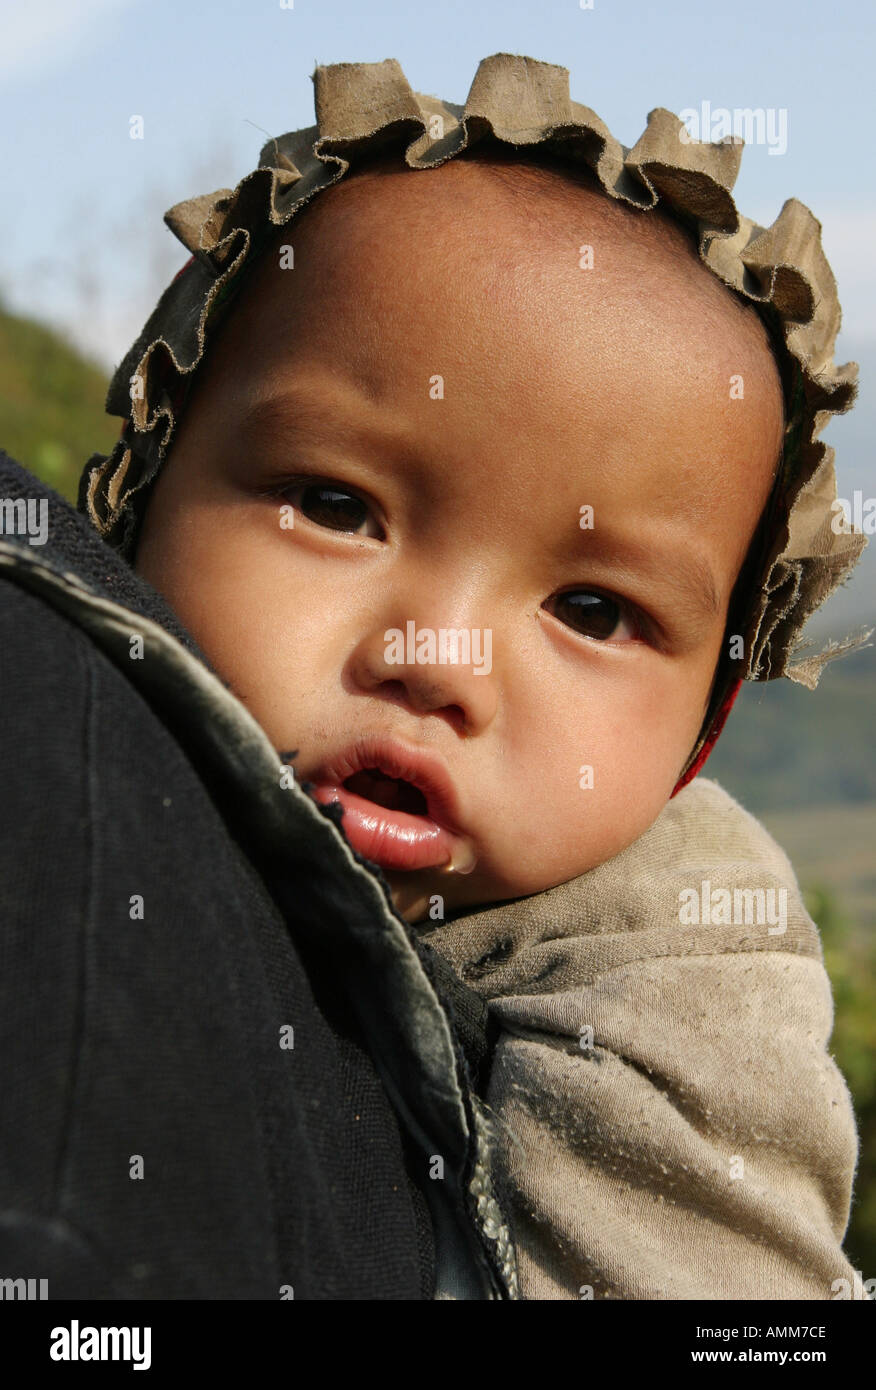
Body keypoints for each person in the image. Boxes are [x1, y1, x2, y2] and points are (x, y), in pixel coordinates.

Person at [70, 53, 867, 1298]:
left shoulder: (677, 948)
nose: (435, 657)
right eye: (337, 506)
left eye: (592, 608)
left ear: (695, 741)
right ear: (136, 499)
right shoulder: (69, 715)